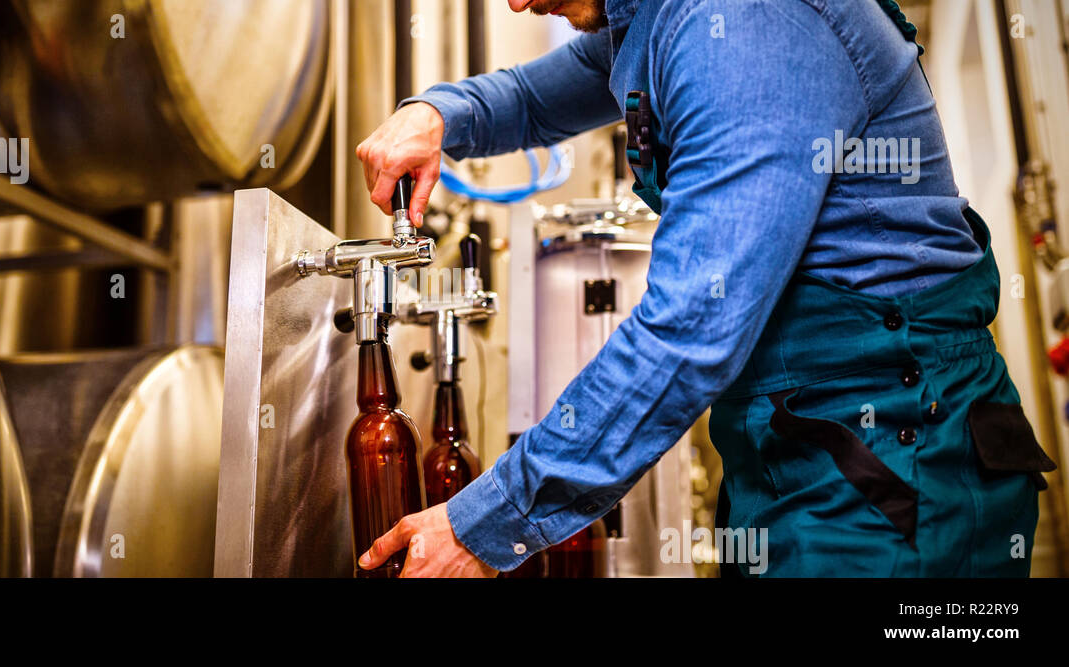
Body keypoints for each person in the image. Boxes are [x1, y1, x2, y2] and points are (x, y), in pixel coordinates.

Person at [354, 0, 1057, 577]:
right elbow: (543, 94)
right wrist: (441, 113)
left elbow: (690, 329)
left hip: (896, 463)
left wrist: (489, 523)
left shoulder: (743, 21)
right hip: (802, 447)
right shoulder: (656, 16)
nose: (514, 3)